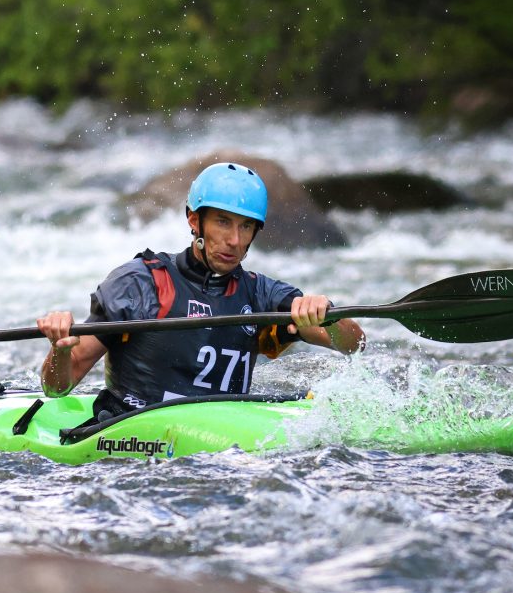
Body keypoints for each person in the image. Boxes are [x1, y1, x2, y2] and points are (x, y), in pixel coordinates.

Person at [37, 161, 364, 418]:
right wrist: (61, 350)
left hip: (222, 443)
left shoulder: (261, 294)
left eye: (245, 226)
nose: (234, 240)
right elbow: (56, 387)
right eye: (223, 222)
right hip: (136, 433)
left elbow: (355, 344)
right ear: (195, 220)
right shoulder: (141, 284)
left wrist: (326, 318)